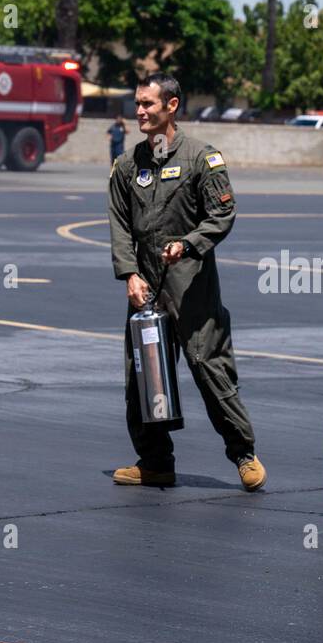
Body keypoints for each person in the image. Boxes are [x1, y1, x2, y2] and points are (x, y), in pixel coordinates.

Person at [107, 72, 265, 491]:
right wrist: (130, 273)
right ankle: (155, 461)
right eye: (137, 103)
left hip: (192, 284)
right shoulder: (127, 165)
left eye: (148, 104)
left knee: (210, 368)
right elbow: (120, 224)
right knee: (144, 376)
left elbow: (222, 215)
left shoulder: (201, 159)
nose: (139, 111)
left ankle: (244, 454)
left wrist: (190, 244)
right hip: (147, 289)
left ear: (171, 106)